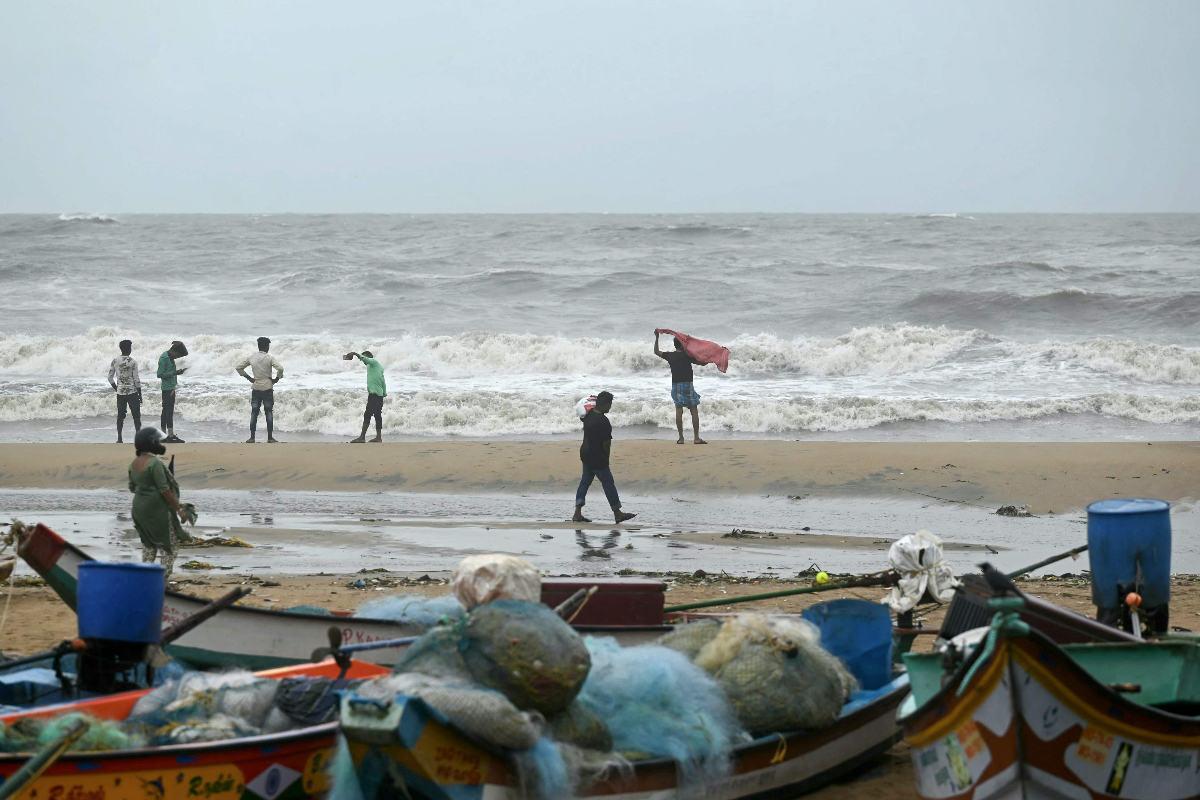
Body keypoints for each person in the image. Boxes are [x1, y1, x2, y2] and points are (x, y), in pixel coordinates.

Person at [129, 427, 191, 577]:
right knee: (170, 547)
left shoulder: (134, 463)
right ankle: (163, 581)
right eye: (157, 440)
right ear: (151, 443)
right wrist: (179, 509)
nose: (160, 443)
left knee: (149, 546)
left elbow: (133, 487)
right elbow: (164, 489)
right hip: (157, 511)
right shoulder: (155, 463)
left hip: (139, 510)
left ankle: (145, 579)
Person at [572, 391, 637, 524]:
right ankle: (617, 513)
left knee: (585, 481)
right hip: (597, 457)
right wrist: (606, 458)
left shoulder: (587, 416)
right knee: (608, 483)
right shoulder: (604, 421)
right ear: (605, 404)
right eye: (610, 404)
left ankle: (577, 513)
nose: (610, 407)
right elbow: (606, 444)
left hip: (585, 453)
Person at [654, 330, 707, 444]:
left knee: (679, 410)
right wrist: (711, 358)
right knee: (694, 410)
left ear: (675, 345)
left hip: (676, 385)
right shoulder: (688, 355)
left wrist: (657, 337)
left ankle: (681, 438)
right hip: (688, 384)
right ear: (682, 345)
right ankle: (696, 438)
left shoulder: (670, 355)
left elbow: (656, 352)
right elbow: (701, 363)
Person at [235, 337, 284, 443]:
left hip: (256, 388)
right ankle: (270, 438)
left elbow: (238, 367)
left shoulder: (252, 357)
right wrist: (276, 379)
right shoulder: (270, 358)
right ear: (266, 346)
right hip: (267, 388)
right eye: (269, 346)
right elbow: (280, 368)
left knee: (254, 412)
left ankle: (252, 438)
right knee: (268, 412)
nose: (269, 348)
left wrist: (249, 378)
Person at [345, 350, 386, 442]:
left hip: (375, 395)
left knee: (367, 414)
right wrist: (384, 393)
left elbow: (366, 359)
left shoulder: (374, 362)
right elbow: (383, 381)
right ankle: (378, 437)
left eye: (364, 359)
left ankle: (362, 437)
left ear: (369, 357)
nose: (363, 361)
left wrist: (355, 354)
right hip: (379, 395)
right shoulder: (377, 367)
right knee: (377, 415)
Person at [107, 339, 142, 443]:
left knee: (120, 416)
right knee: (136, 416)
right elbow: (136, 379)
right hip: (132, 392)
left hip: (120, 393)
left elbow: (110, 378)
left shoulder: (115, 361)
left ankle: (119, 438)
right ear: (129, 349)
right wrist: (140, 394)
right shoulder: (133, 362)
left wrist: (116, 388)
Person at [157, 341, 188, 443]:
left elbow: (185, 353)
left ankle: (164, 435)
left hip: (171, 387)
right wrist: (174, 373)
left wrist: (181, 344)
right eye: (177, 355)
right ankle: (169, 436)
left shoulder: (170, 357)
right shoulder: (164, 359)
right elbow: (160, 374)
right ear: (173, 351)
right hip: (167, 388)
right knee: (168, 411)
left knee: (166, 411)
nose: (177, 357)